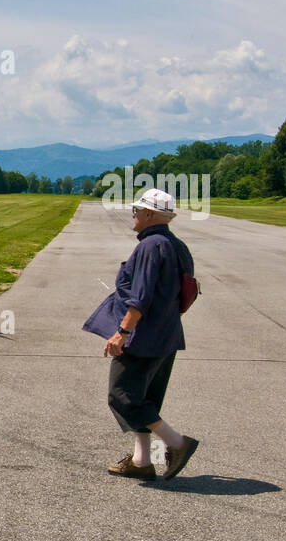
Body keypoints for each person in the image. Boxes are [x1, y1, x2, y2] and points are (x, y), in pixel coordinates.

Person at [83, 187, 199, 480]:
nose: (133, 215)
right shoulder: (177, 245)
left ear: (149, 214)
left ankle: (177, 443)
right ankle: (141, 461)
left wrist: (122, 332)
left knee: (122, 395)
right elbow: (186, 293)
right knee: (145, 398)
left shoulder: (150, 247)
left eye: (136, 210)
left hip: (143, 337)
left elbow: (141, 297)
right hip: (166, 334)